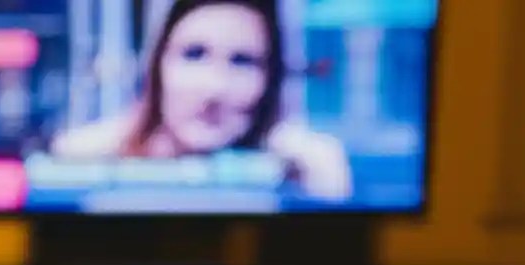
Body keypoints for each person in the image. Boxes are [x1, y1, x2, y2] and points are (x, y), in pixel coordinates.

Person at [51, 0, 351, 201]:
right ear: (157, 65)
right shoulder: (83, 155)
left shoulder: (306, 165)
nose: (214, 89)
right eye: (194, 54)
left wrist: (323, 174)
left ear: (270, 80)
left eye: (243, 62)